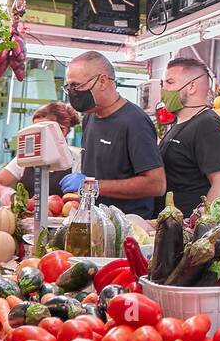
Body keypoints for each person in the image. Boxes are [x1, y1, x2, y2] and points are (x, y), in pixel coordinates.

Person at [63, 51, 164, 217]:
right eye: (69, 87)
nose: (73, 93)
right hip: (94, 222)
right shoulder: (90, 117)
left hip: (127, 228)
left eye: (77, 86)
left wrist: (93, 186)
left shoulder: (134, 122)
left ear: (102, 81)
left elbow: (156, 184)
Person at [155, 56, 220, 218]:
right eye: (164, 84)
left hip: (186, 232)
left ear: (191, 87)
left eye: (170, 82)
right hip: (169, 227)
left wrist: (199, 223)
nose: (164, 90)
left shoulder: (208, 125)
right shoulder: (178, 125)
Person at [0, 102, 81, 203]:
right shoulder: (27, 157)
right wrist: (3, 191)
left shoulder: (78, 160)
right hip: (28, 217)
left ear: (62, 131)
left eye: (41, 131)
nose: (35, 136)